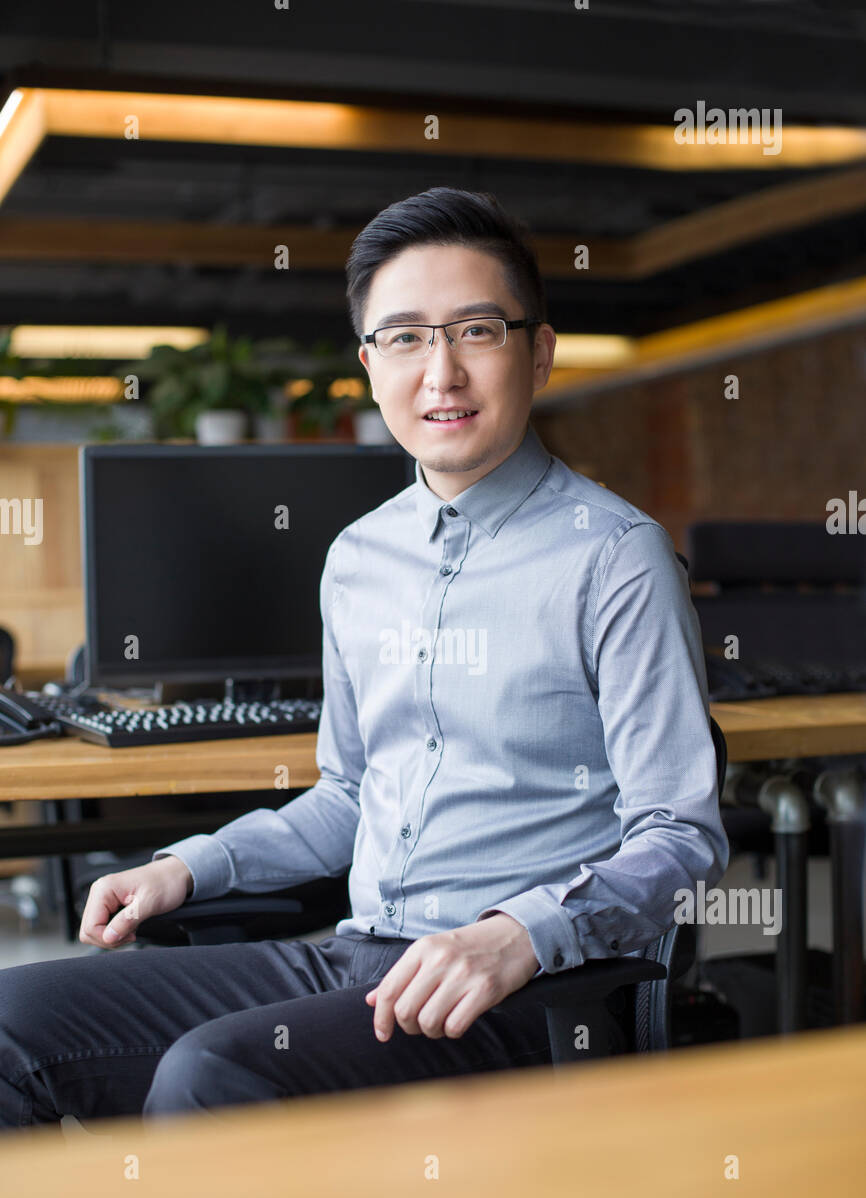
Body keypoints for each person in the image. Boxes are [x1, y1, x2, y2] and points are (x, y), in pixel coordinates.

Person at [0, 186, 728, 1131]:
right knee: (15, 1020)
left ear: (538, 353)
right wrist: (189, 867)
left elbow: (680, 834)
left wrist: (518, 935)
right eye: (406, 338)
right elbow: (349, 794)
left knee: (212, 1076)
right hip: (354, 956)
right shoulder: (357, 558)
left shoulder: (614, 557)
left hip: (514, 990)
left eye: (475, 330)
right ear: (369, 366)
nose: (442, 373)